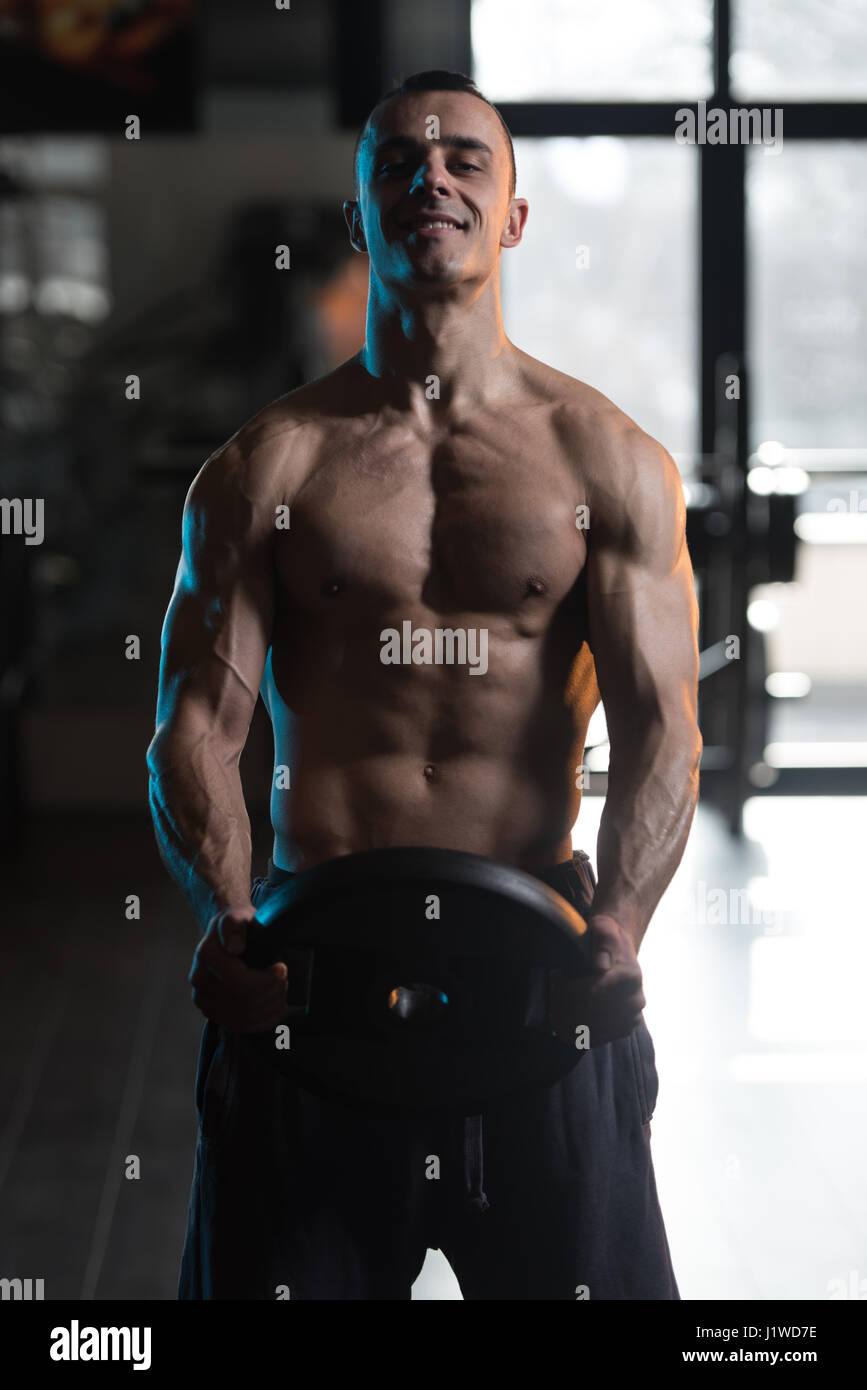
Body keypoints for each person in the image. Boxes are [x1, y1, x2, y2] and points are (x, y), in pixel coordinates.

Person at [147, 69, 702, 1300]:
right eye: (398, 161)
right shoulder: (265, 468)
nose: (432, 178)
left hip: (541, 971)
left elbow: (667, 728)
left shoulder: (609, 463)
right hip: (309, 973)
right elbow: (196, 725)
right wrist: (228, 917)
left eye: (466, 159)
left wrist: (622, 924)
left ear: (512, 215)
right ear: (359, 218)